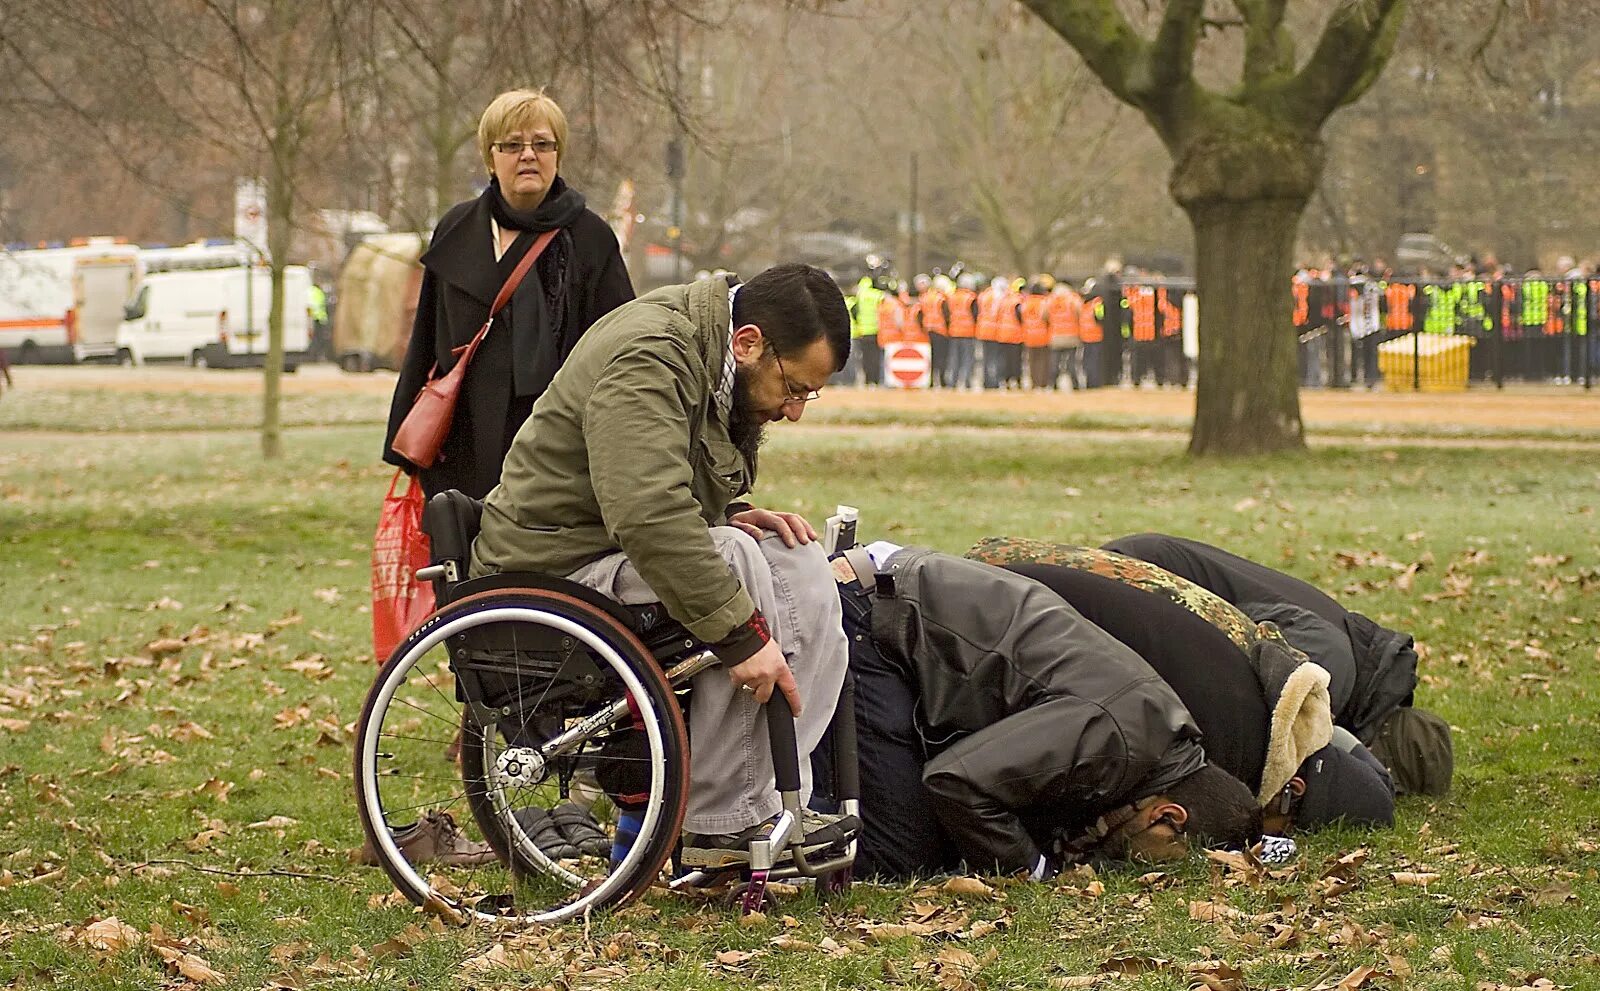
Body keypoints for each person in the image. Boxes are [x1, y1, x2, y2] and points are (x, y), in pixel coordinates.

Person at [470, 263, 856, 867]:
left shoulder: (712, 354)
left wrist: (729, 511)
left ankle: (777, 805)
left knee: (796, 557)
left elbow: (662, 477)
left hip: (610, 550)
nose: (795, 411)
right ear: (748, 342)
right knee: (733, 559)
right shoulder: (650, 353)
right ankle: (721, 822)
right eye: (793, 388)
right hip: (548, 570)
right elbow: (647, 512)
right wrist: (741, 638)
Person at [818, 543, 1262, 879]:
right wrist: (1033, 873)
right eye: (1160, 863)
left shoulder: (1158, 739)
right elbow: (955, 781)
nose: (1141, 872)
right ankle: (782, 831)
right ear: (1167, 816)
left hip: (899, 605)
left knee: (939, 837)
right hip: (873, 614)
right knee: (900, 855)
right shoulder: (1112, 737)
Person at [965, 539, 1394, 834]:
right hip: (996, 605)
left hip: (1009, 569)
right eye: (1280, 831)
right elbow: (1100, 756)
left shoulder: (1265, 694)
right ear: (1292, 792)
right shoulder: (1234, 743)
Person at [383, 88, 635, 500]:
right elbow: (426, 339)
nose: (528, 155)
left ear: (558, 154)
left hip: (556, 449)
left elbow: (621, 347)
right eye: (513, 145)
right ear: (491, 157)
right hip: (461, 445)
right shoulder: (457, 228)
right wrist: (407, 444)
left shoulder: (590, 238)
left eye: (542, 144)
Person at [1100, 532, 1453, 796]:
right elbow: (1240, 637)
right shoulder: (1331, 670)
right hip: (1137, 578)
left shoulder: (1352, 661)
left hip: (1145, 570)